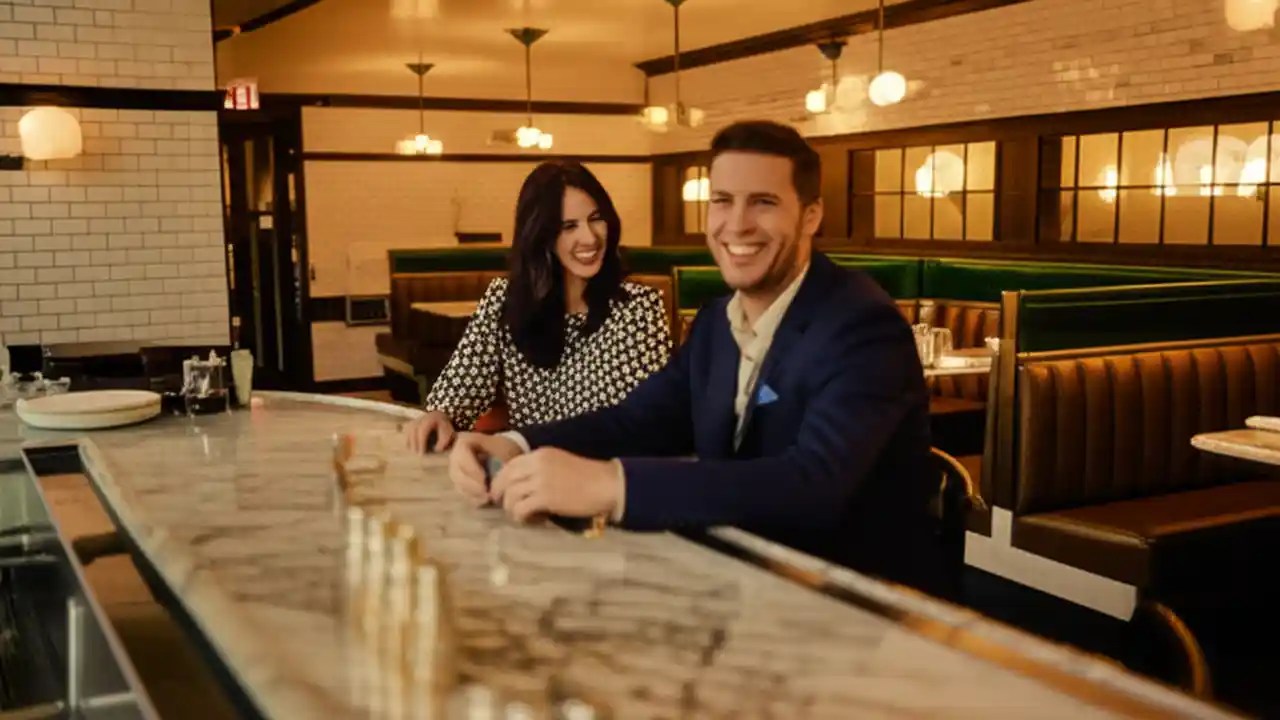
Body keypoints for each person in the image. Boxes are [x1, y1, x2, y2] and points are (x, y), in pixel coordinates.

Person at [448, 121, 937, 591]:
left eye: (763, 202)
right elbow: (639, 421)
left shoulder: (861, 326)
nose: (737, 225)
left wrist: (613, 485)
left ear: (811, 215)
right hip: (738, 583)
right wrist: (514, 444)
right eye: (722, 201)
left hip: (853, 611)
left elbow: (813, 484)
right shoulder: (715, 323)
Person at [405, 161, 671, 452]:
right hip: (527, 482)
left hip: (605, 482)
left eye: (596, 219)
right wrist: (439, 415)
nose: (590, 237)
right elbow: (458, 392)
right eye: (569, 226)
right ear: (541, 235)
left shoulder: (638, 308)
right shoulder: (504, 301)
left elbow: (646, 422)